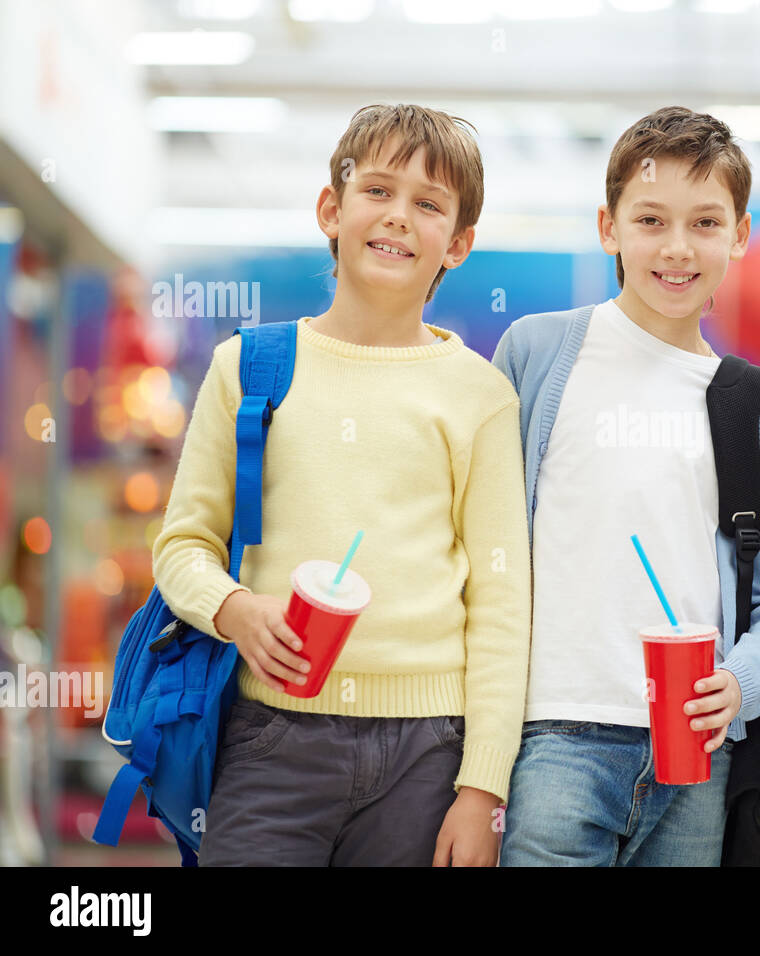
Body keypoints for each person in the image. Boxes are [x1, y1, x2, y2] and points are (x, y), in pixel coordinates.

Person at [152, 103, 530, 866]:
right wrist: (234, 608)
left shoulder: (480, 394)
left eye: (428, 205)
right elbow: (183, 544)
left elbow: (501, 603)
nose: (398, 218)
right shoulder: (248, 369)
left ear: (457, 244)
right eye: (378, 191)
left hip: (429, 755)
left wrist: (482, 787)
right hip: (270, 739)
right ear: (332, 208)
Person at [491, 106, 760, 866]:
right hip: (551, 741)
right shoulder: (537, 352)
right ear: (609, 227)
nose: (676, 247)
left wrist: (741, 682)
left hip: (694, 757)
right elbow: (481, 554)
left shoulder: (749, 402)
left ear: (739, 234)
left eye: (705, 223)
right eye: (650, 219)